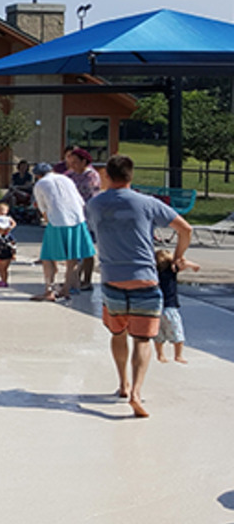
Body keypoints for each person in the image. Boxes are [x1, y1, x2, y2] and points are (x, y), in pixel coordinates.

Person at [86, 154, 192, 417]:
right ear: (131, 176)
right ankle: (136, 391)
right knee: (143, 340)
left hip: (112, 279)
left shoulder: (95, 205)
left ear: (107, 176)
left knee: (117, 333)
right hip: (145, 278)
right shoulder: (148, 203)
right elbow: (185, 229)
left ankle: (122, 383)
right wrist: (178, 256)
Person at [31, 162, 94, 301]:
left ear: (37, 175)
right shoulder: (66, 179)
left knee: (48, 257)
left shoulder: (40, 184)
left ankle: (49, 290)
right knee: (72, 257)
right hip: (78, 219)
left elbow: (44, 210)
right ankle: (67, 288)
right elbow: (80, 201)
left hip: (58, 221)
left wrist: (48, 221)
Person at [153, 248, 200, 364]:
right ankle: (178, 355)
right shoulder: (171, 269)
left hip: (156, 308)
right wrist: (191, 265)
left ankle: (160, 354)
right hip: (170, 308)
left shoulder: (153, 271)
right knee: (178, 333)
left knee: (159, 335)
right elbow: (186, 264)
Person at [64, 147, 102, 289]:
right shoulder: (70, 175)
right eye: (70, 161)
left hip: (88, 216)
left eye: (75, 162)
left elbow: (87, 194)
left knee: (87, 249)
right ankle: (74, 279)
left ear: (84, 161)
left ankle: (87, 280)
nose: (72, 165)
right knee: (74, 249)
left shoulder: (91, 176)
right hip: (72, 216)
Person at [0, 204, 18, 288]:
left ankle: (5, 281)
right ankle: (2, 279)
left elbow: (13, 244)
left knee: (4, 268)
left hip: (7, 253)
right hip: (0, 252)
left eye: (3, 209)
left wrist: (14, 254)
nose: (1, 211)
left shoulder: (8, 236)